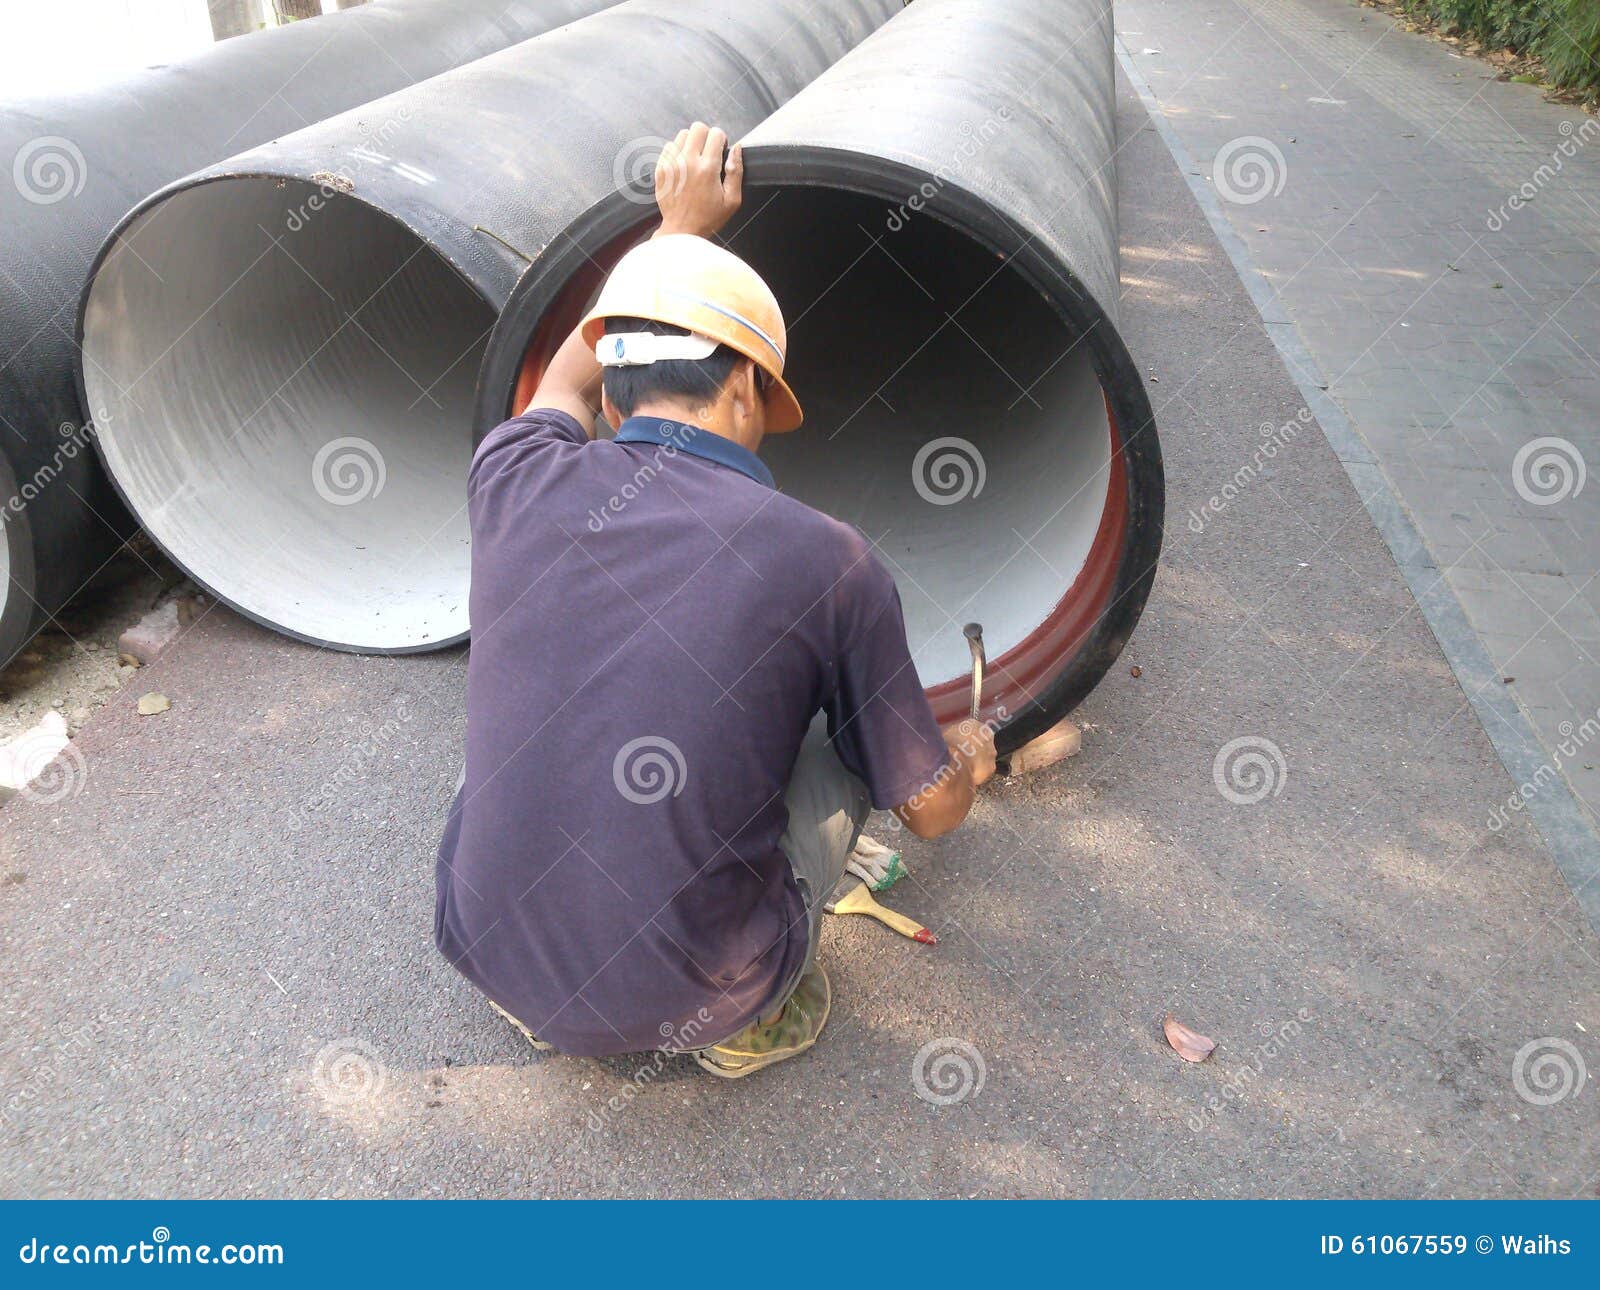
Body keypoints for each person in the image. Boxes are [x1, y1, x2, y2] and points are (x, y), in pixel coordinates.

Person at [435, 123, 995, 1077]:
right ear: (746, 384)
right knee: (848, 742)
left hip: (485, 953)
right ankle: (746, 1026)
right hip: (695, 992)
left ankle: (548, 994)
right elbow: (931, 813)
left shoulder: (516, 476)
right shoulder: (828, 562)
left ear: (614, 399)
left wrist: (675, 230)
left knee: (533, 740)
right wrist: (968, 761)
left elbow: (571, 366)